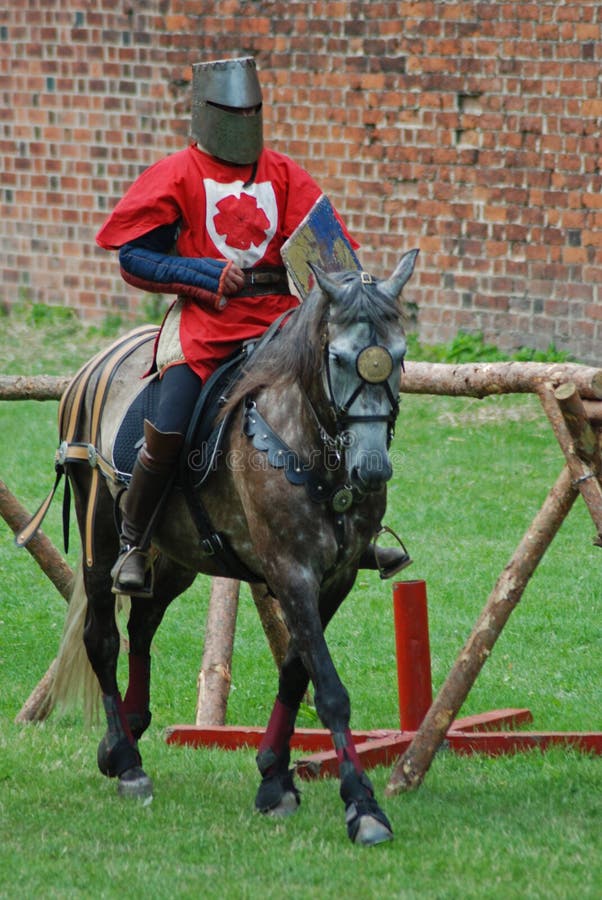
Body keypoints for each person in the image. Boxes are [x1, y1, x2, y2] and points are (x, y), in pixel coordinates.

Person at [96, 56, 409, 596]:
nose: (243, 119)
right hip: (204, 323)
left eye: (252, 109)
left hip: (278, 321)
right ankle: (133, 542)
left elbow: (329, 259)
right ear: (205, 110)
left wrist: (356, 297)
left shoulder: (283, 173)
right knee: (170, 425)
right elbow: (133, 257)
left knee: (336, 402)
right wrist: (202, 272)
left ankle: (360, 529)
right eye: (231, 109)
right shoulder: (176, 174)